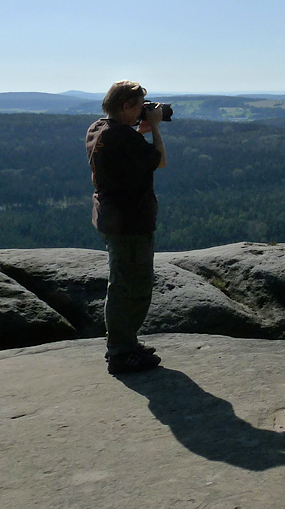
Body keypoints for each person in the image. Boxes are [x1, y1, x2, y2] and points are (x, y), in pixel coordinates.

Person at [86, 80, 167, 374]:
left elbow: (120, 144)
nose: (142, 112)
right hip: (130, 223)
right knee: (131, 287)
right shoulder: (124, 138)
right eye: (139, 107)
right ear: (126, 106)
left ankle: (125, 344)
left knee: (122, 283)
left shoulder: (98, 128)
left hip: (111, 218)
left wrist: (136, 128)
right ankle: (121, 352)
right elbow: (159, 160)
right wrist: (154, 127)